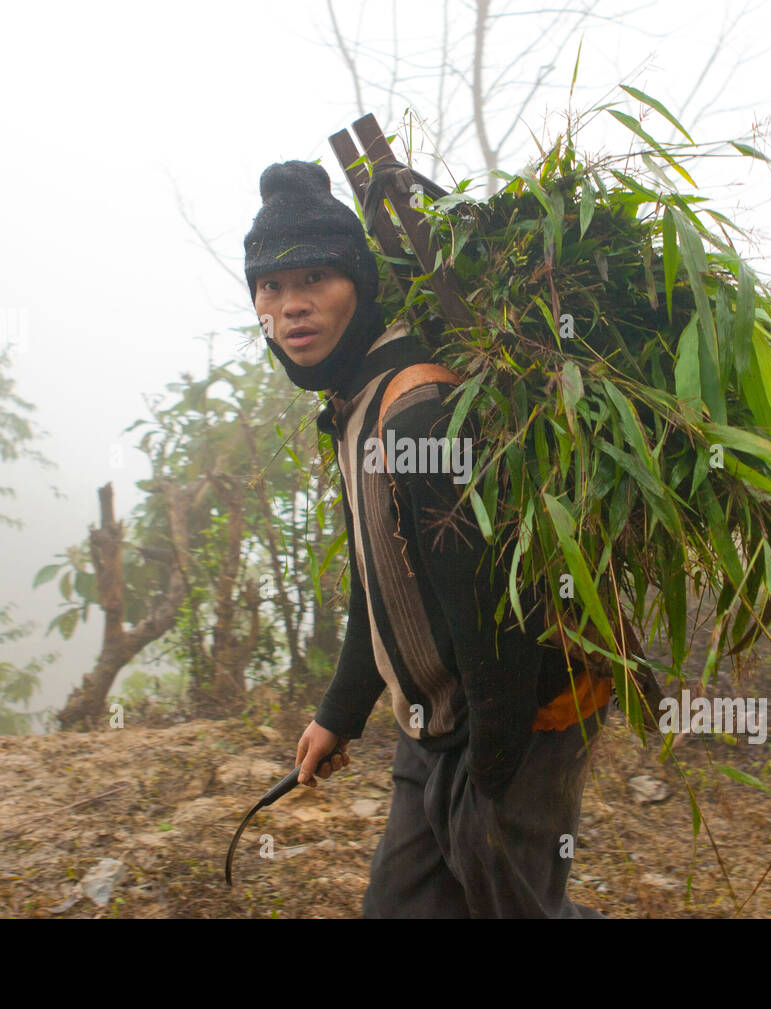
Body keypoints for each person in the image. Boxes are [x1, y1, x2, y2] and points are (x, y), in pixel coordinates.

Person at [243, 159, 611, 918]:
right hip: (440, 718)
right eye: (271, 286)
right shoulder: (352, 401)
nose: (291, 307)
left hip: (520, 710)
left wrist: (493, 772)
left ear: (360, 283)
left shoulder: (416, 409)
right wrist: (338, 715)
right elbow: (381, 585)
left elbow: (492, 614)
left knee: (517, 904)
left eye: (315, 278)